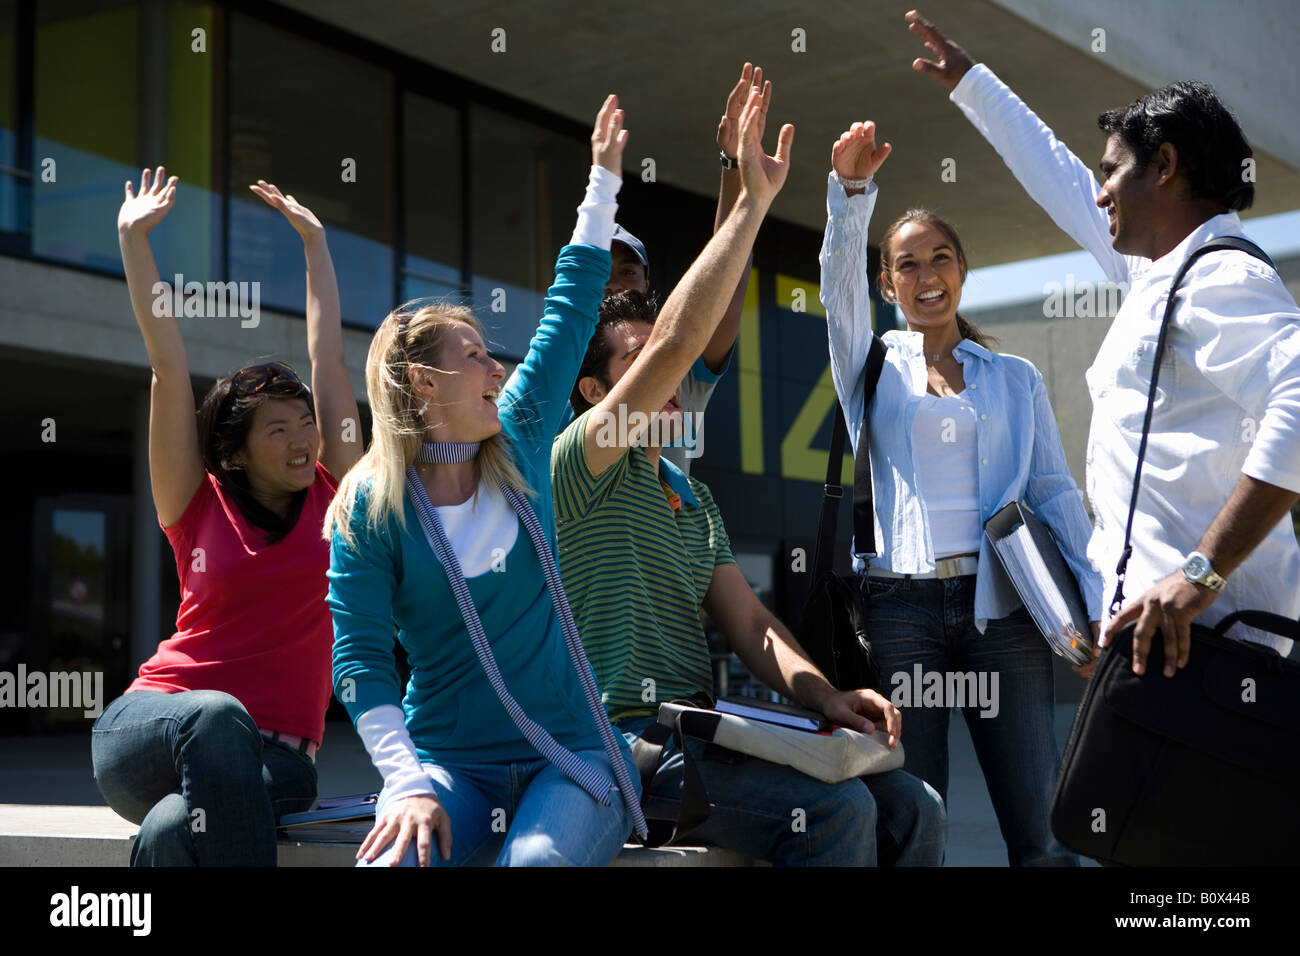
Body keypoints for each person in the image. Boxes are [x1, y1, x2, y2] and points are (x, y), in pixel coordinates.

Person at [553, 86, 945, 867]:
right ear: (596, 391)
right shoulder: (573, 459)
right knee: (834, 814)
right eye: (640, 362)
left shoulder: (689, 493)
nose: (669, 371)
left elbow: (753, 626)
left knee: (915, 805)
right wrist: (747, 197)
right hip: (616, 745)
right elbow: (679, 342)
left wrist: (824, 696)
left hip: (702, 729)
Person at [905, 9, 1300, 671]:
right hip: (1153, 645)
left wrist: (1201, 574)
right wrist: (974, 85)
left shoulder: (1222, 276)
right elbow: (1056, 176)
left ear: (1166, 166)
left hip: (1217, 655)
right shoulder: (1158, 274)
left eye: (1113, 173)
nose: (1100, 194)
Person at [326, 95, 645, 868]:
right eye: (472, 356)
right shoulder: (370, 510)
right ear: (422, 383)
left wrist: (602, 183)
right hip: (449, 765)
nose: (494, 368)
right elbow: (361, 662)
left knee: (534, 865)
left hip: (569, 756)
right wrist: (403, 785)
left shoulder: (524, 432)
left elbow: (571, 307)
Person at [819, 115, 1099, 866]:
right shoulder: (869, 365)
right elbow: (835, 289)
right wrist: (850, 196)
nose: (926, 275)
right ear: (888, 283)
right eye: (907, 265)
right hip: (899, 608)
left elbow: (1054, 495)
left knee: (1041, 830)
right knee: (919, 823)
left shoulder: (1016, 379)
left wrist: (1096, 608)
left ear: (963, 271)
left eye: (939, 258)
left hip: (1003, 610)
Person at [91, 170, 362, 866]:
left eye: (306, 422)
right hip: (152, 726)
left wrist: (315, 246)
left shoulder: (339, 494)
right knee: (214, 712)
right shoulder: (195, 503)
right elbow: (164, 363)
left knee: (168, 835)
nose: (304, 437)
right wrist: (133, 242)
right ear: (235, 455)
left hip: (279, 760)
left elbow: (327, 353)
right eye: (279, 430)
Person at [591, 63, 763, 475]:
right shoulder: (558, 370)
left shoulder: (678, 365)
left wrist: (734, 164)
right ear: (590, 390)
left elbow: (727, 274)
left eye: (629, 271)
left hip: (670, 539)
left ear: (647, 283)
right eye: (600, 271)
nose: (616, 282)